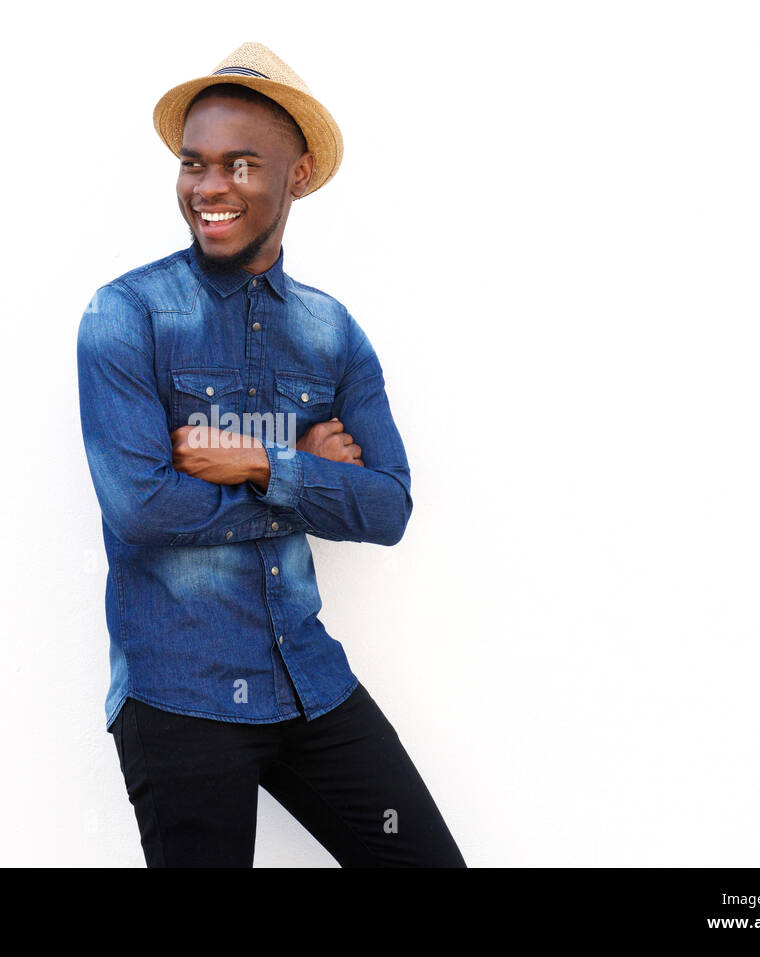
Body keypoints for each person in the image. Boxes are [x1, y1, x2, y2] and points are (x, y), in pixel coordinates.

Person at [76, 41, 466, 867]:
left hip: (309, 684)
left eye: (242, 164)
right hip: (180, 699)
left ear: (298, 173)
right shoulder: (126, 316)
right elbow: (143, 509)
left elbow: (388, 508)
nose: (210, 188)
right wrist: (306, 464)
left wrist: (254, 460)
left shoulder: (332, 332)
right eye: (195, 164)